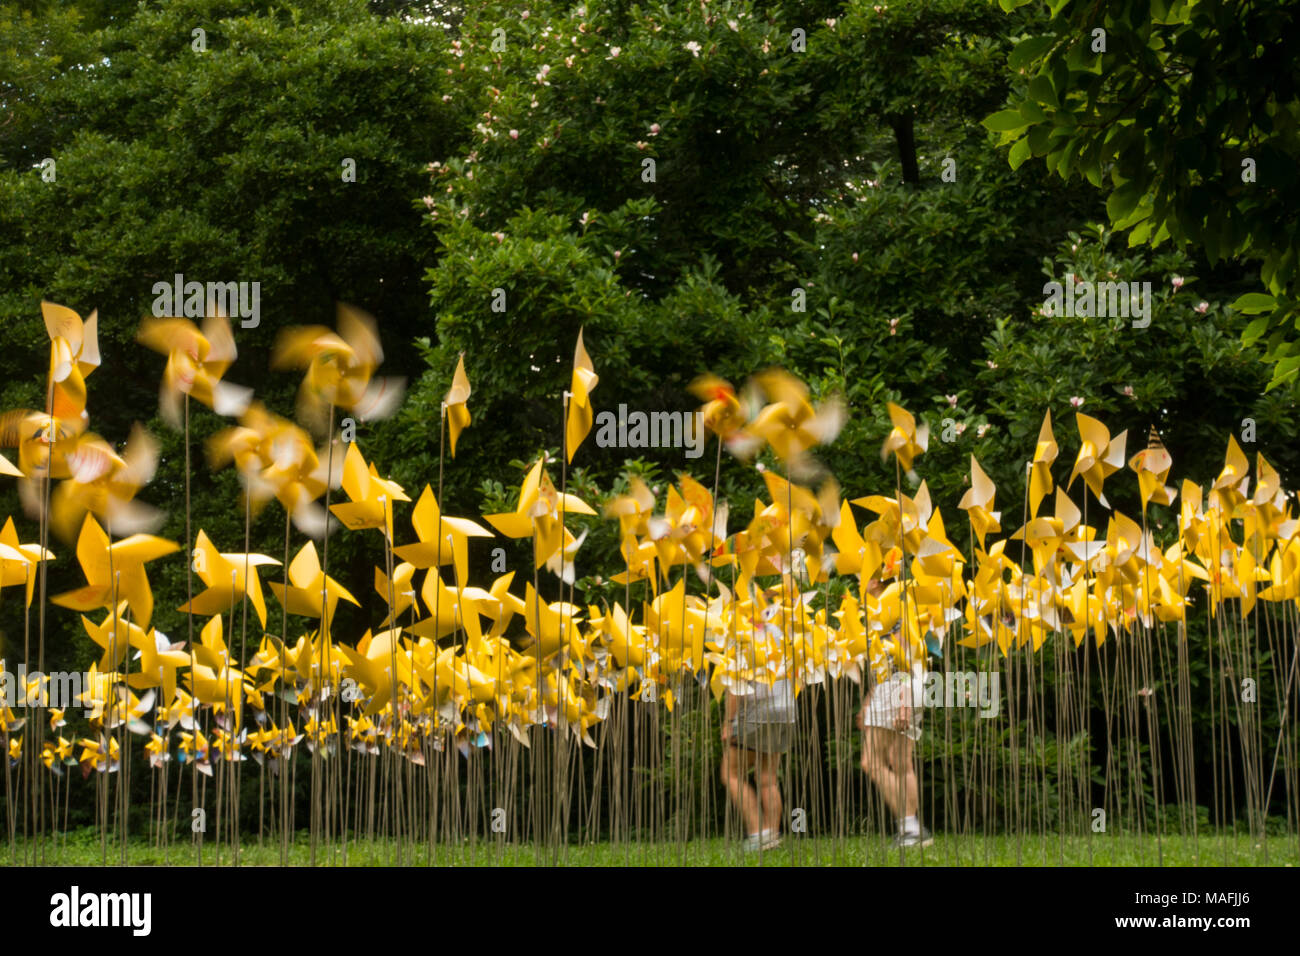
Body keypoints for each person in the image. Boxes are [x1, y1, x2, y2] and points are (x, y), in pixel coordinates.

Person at [858, 575, 932, 848]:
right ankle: (912, 831)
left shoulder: (892, 610)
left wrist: (904, 702)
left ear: (876, 580)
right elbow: (885, 662)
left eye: (863, 575)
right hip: (906, 687)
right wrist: (869, 698)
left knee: (872, 762)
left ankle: (909, 826)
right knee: (901, 762)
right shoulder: (889, 608)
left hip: (900, 689)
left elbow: (905, 658)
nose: (859, 581)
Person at [721, 674, 795, 851]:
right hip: (785, 710)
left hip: (755, 711)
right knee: (768, 780)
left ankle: (758, 833)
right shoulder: (785, 643)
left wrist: (729, 722)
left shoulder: (745, 645)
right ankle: (772, 837)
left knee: (730, 774)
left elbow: (737, 683)